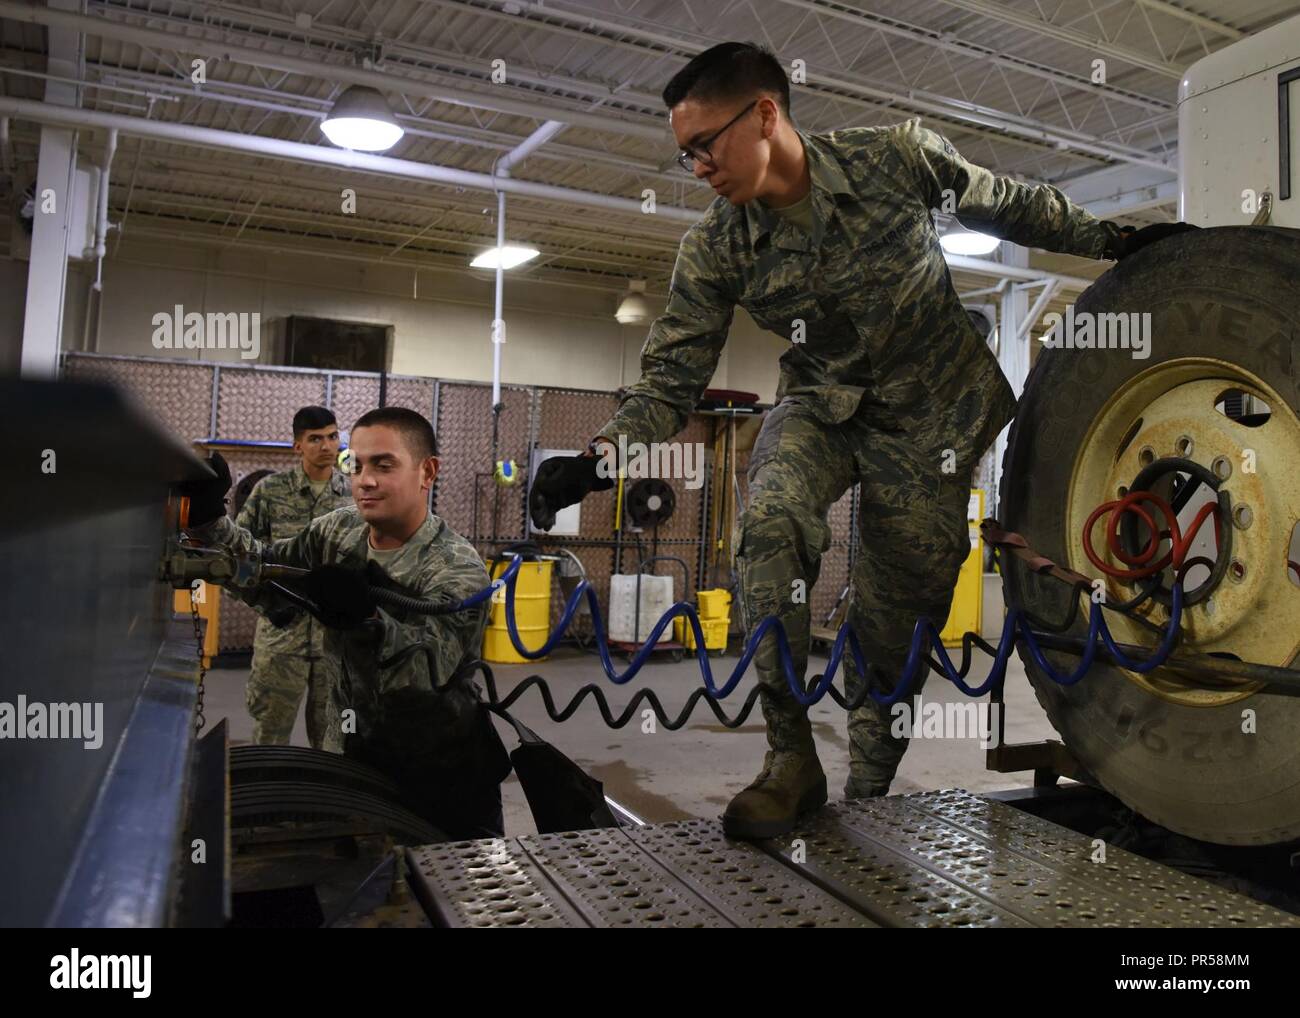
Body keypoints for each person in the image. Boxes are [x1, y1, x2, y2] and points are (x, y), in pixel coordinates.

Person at [528, 41, 1195, 839]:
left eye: (704, 144)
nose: (697, 165)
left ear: (766, 114)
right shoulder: (714, 249)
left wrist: (1115, 242)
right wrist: (599, 459)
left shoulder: (895, 158)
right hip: (822, 405)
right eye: (685, 154)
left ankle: (869, 797)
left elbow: (1007, 203)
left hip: (934, 421)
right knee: (768, 528)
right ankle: (789, 762)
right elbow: (672, 379)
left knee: (896, 620)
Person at [184, 407, 510, 839]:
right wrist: (208, 520)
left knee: (448, 896)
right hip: (357, 759)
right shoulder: (338, 532)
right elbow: (263, 570)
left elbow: (424, 673)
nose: (365, 480)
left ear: (427, 471)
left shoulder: (457, 569)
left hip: (442, 777)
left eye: (383, 465)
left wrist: (366, 619)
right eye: (356, 465)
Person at [235, 405, 352, 749]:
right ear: (297, 445)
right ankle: (266, 801)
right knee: (270, 739)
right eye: (315, 439)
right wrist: (264, 602)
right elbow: (237, 555)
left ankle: (329, 802)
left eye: (332, 437)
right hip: (281, 640)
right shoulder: (270, 492)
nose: (327, 446)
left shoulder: (353, 497)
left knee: (334, 742)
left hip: (335, 642)